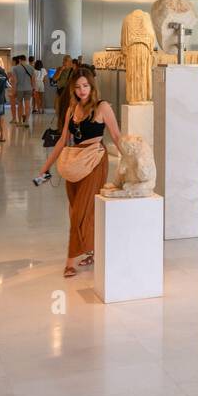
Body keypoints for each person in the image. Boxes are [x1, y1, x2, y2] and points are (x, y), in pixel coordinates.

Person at [37, 69, 125, 278]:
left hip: (94, 160)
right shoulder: (71, 109)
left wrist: (130, 161)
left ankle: (70, 261)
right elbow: (62, 140)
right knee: (76, 209)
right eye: (77, 87)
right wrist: (45, 167)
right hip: (74, 163)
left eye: (85, 86)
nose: (81, 90)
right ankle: (92, 251)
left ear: (92, 86)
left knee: (80, 212)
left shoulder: (102, 107)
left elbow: (116, 135)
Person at [11, 54, 35, 126]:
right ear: (26, 60)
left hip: (19, 89)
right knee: (27, 105)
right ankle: (27, 121)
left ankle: (20, 122)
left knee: (20, 105)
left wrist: (14, 91)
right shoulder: (31, 68)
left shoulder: (15, 68)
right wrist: (34, 89)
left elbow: (15, 81)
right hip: (29, 88)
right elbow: (33, 80)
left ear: (19, 60)